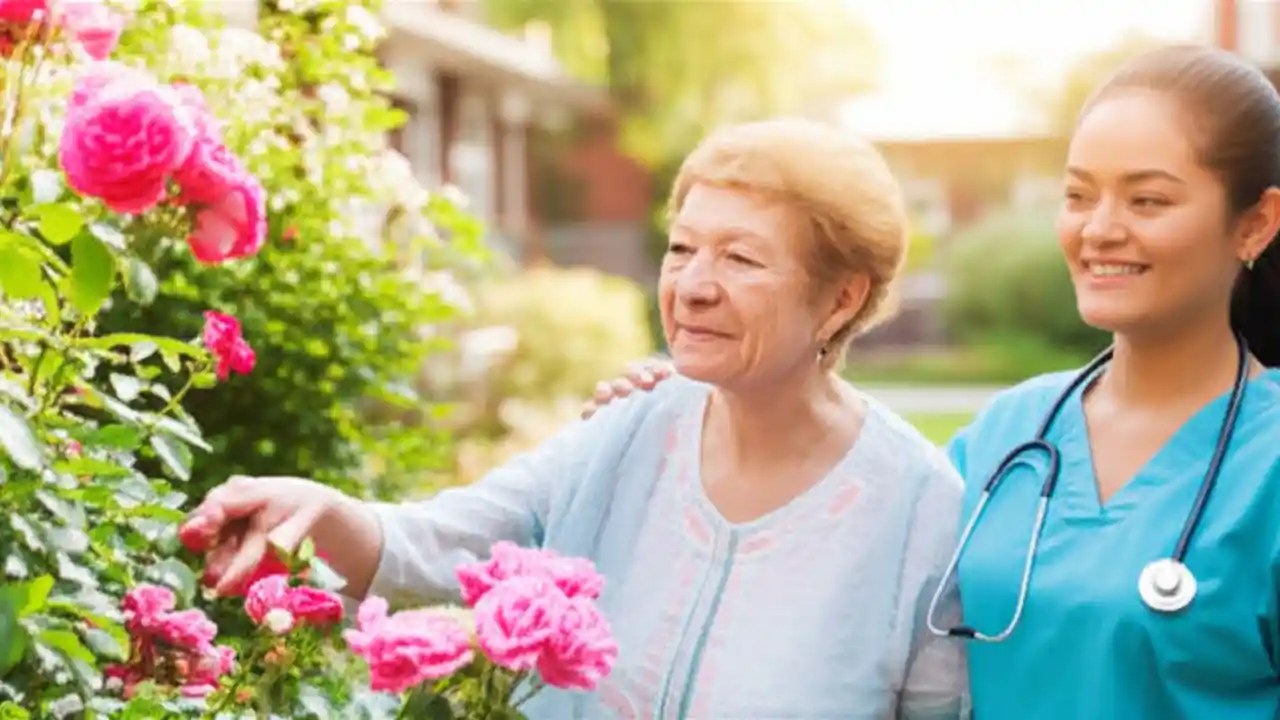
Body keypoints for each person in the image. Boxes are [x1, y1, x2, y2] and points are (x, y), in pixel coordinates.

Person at [181, 118, 971, 719]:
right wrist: (318, 512)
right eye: (681, 248)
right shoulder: (628, 429)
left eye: (740, 258)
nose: (692, 285)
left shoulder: (918, 506)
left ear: (843, 297)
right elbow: (444, 544)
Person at [582, 44, 1280, 718]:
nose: (1099, 229)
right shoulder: (1009, 436)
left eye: (1148, 202)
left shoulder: (1267, 461)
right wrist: (690, 404)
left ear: (1255, 225)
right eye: (1077, 195)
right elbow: (825, 556)